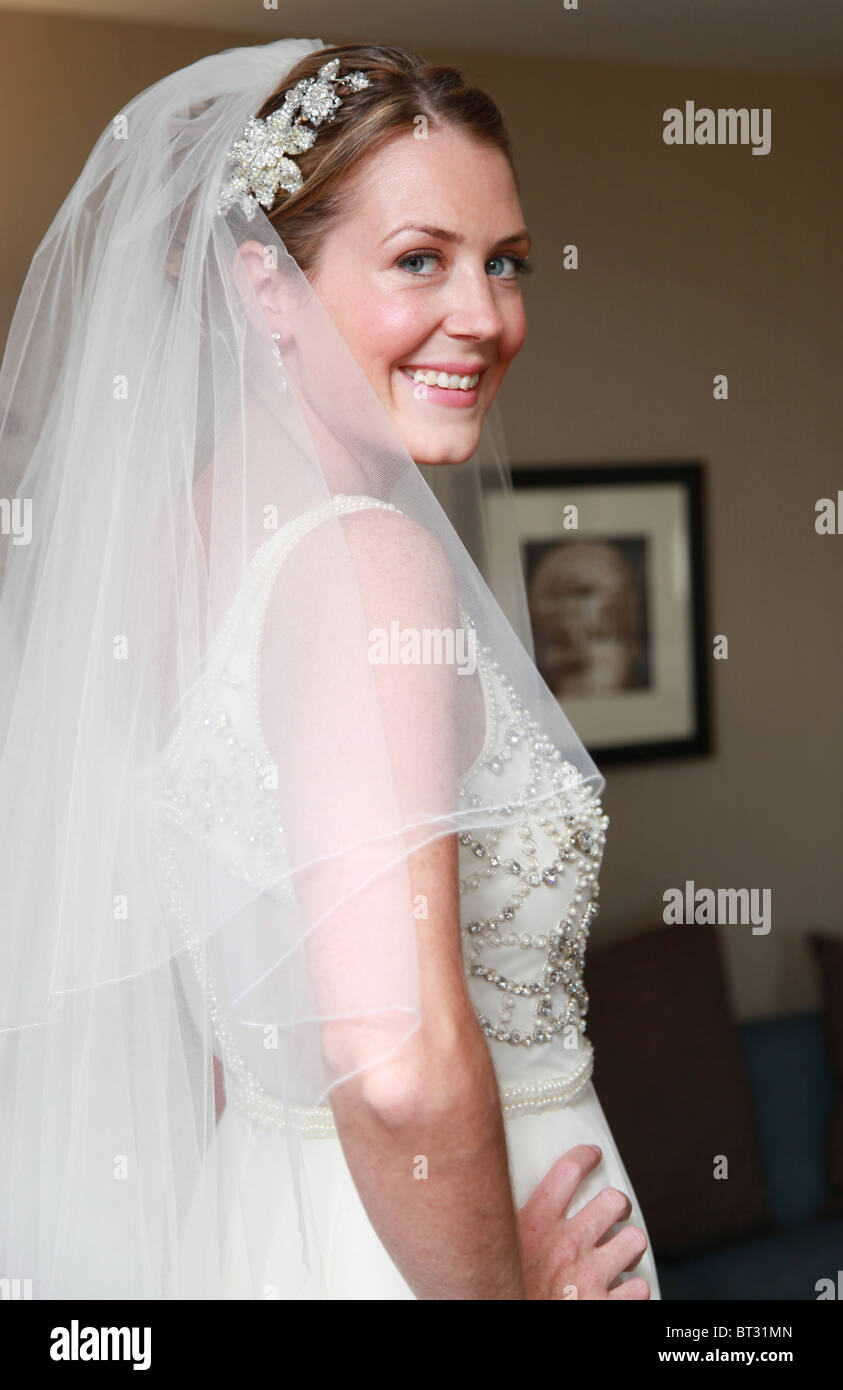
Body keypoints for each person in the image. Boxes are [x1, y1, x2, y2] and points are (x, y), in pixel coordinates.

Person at [0, 37, 659, 1300]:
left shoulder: (167, 560)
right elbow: (396, 1059)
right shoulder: (367, 568)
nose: (485, 313)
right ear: (265, 286)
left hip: (264, 1226)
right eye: (421, 260)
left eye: (504, 262)